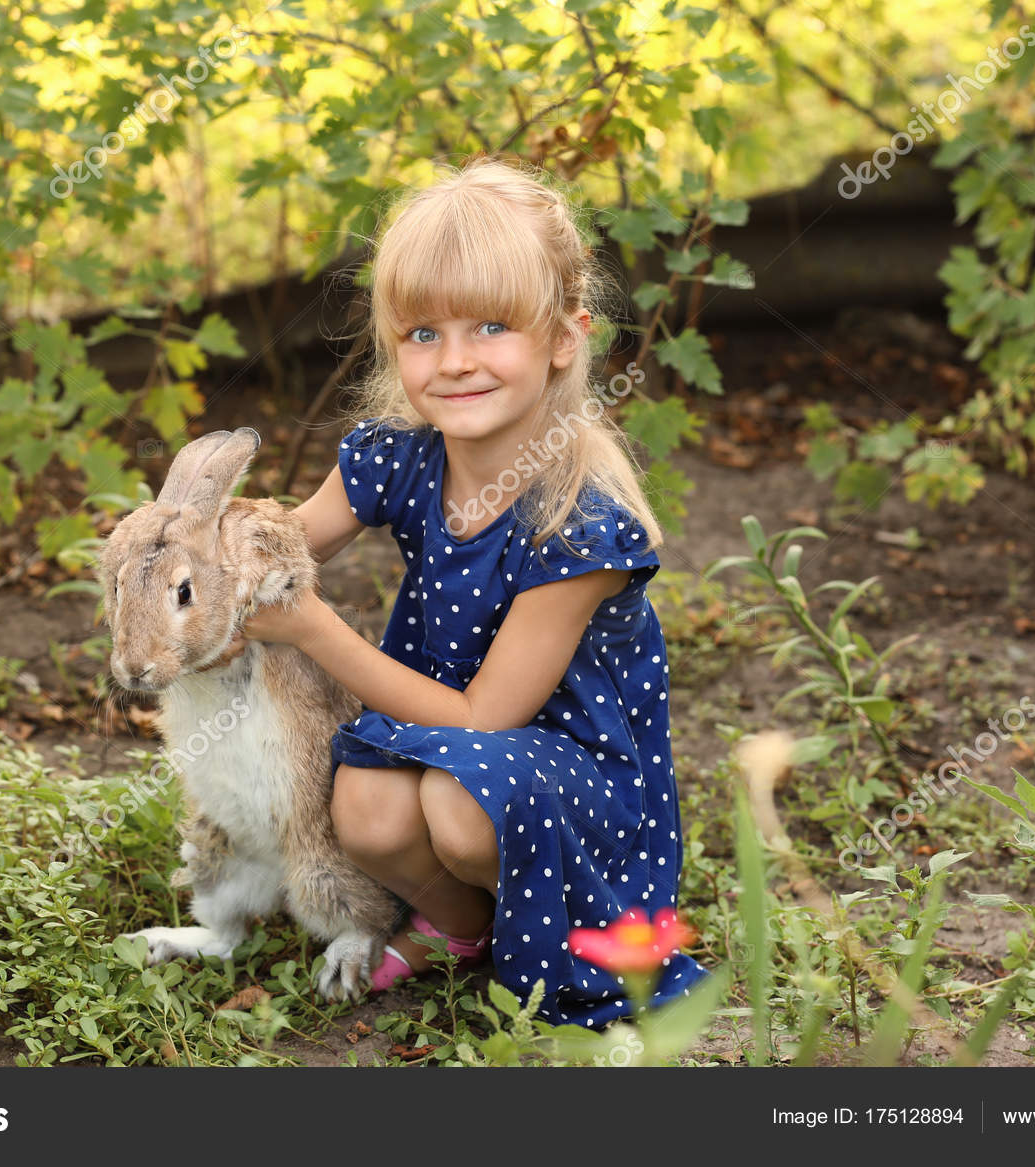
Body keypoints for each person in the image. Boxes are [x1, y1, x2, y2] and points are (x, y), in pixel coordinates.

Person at [238, 157, 709, 1028]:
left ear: (565, 337)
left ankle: (573, 928)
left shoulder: (580, 523)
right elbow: (285, 549)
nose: (453, 362)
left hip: (573, 775)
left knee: (460, 802)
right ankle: (468, 928)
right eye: (423, 333)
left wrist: (310, 628)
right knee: (364, 805)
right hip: (442, 733)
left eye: (490, 326)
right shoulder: (399, 452)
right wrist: (210, 555)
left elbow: (490, 719)